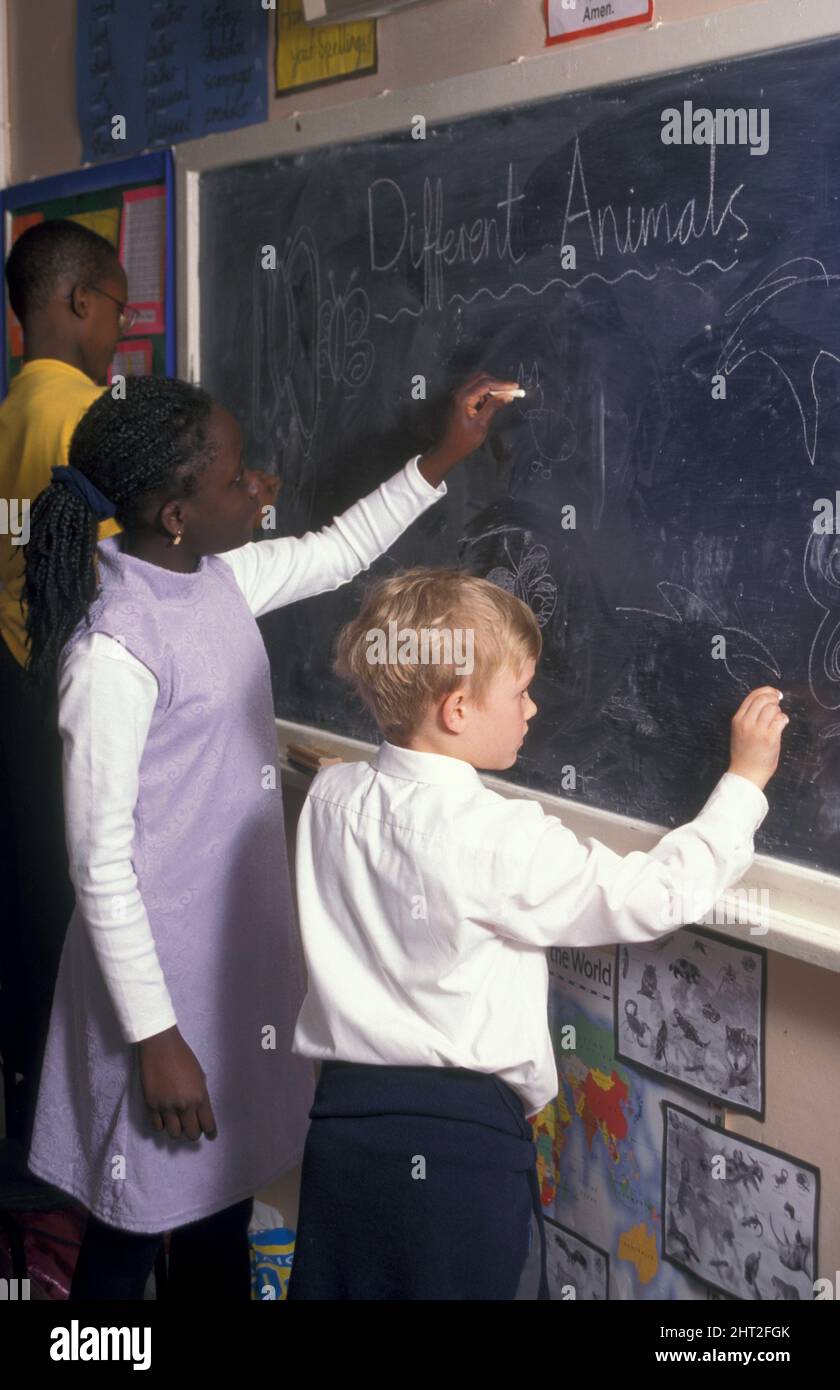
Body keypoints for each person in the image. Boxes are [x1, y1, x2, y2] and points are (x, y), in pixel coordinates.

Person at [21, 371, 518, 1300]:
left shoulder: (218, 582)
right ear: (177, 513)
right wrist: (156, 1038)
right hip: (153, 991)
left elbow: (336, 551)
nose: (264, 485)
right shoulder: (115, 652)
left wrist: (444, 454)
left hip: (227, 971)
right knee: (134, 1225)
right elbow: (99, 867)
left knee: (218, 1197)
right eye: (239, 476)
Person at [286, 566, 788, 1301]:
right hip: (457, 1151)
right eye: (520, 690)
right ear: (457, 708)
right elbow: (648, 897)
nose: (534, 706)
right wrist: (744, 782)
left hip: (342, 1131)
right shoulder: (499, 840)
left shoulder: (331, 796)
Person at [0, 219, 127, 1143]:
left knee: (28, 926)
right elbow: (128, 588)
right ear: (78, 301)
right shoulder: (85, 418)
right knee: (75, 934)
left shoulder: (9, 411)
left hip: (11, 687)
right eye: (117, 309)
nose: (120, 331)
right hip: (62, 694)